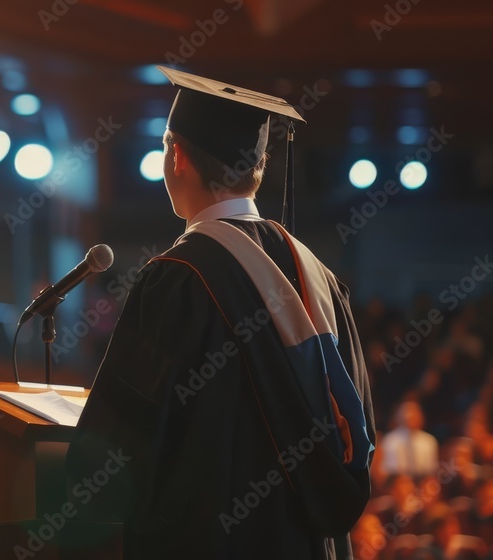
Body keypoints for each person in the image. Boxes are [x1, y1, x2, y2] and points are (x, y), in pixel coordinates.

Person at [66, 66, 376, 559]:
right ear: (258, 167)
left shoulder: (178, 278)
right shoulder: (318, 276)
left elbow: (120, 441)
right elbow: (356, 424)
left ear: (176, 156)